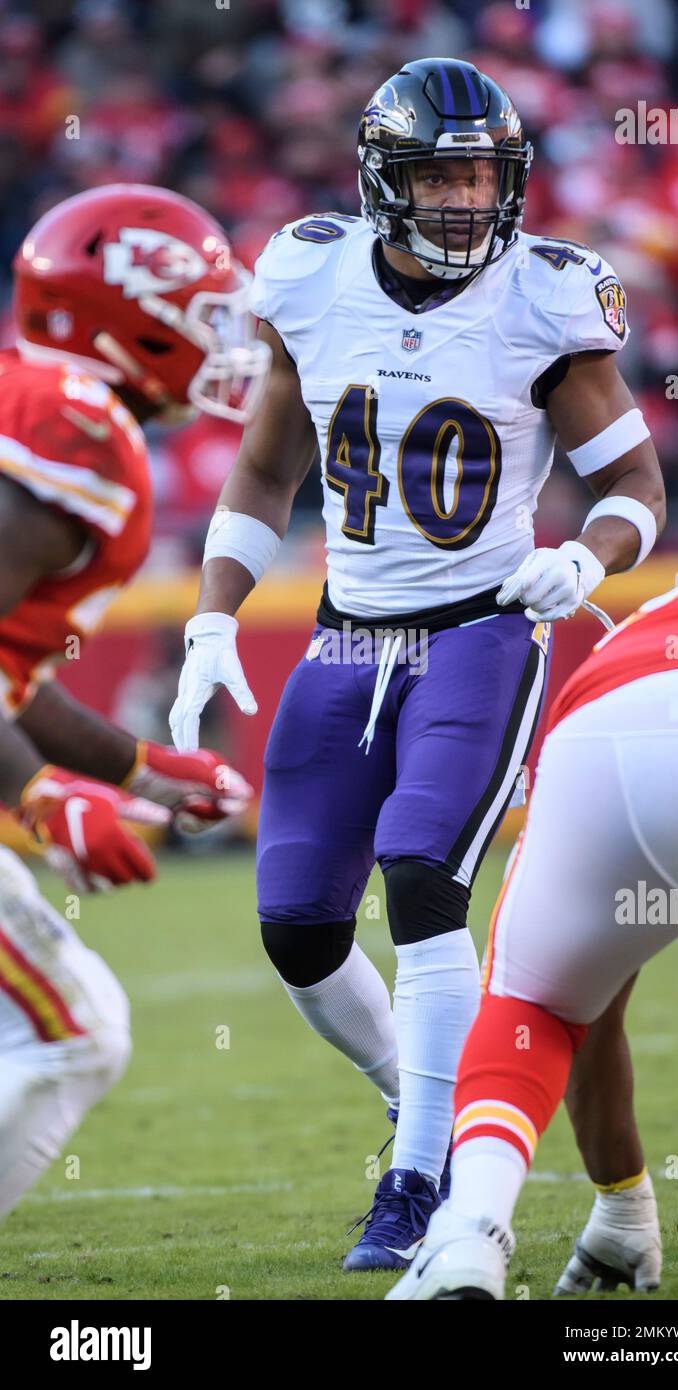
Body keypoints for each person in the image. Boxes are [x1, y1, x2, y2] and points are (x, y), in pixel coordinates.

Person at [169, 57, 665, 1271]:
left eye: (480, 175)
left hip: (481, 629)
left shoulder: (541, 303)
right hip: (347, 630)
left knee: (421, 874)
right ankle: (417, 1100)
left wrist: (588, 563)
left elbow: (634, 485)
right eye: (437, 175)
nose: (460, 200)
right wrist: (212, 615)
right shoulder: (310, 273)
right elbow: (264, 469)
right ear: (381, 182)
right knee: (294, 922)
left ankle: (420, 1182)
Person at [388, 512, 678, 1299]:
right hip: (626, 715)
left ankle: (469, 1234)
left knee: (539, 1008)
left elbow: (596, 1019)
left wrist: (625, 1205)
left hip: (613, 725)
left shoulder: (657, 619)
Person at [0, 182, 265, 1221]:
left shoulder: (39, 398)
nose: (222, 344)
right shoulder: (72, 427)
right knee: (75, 1031)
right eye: (204, 316)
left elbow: (13, 675)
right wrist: (38, 799)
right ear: (132, 315)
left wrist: (135, 767)